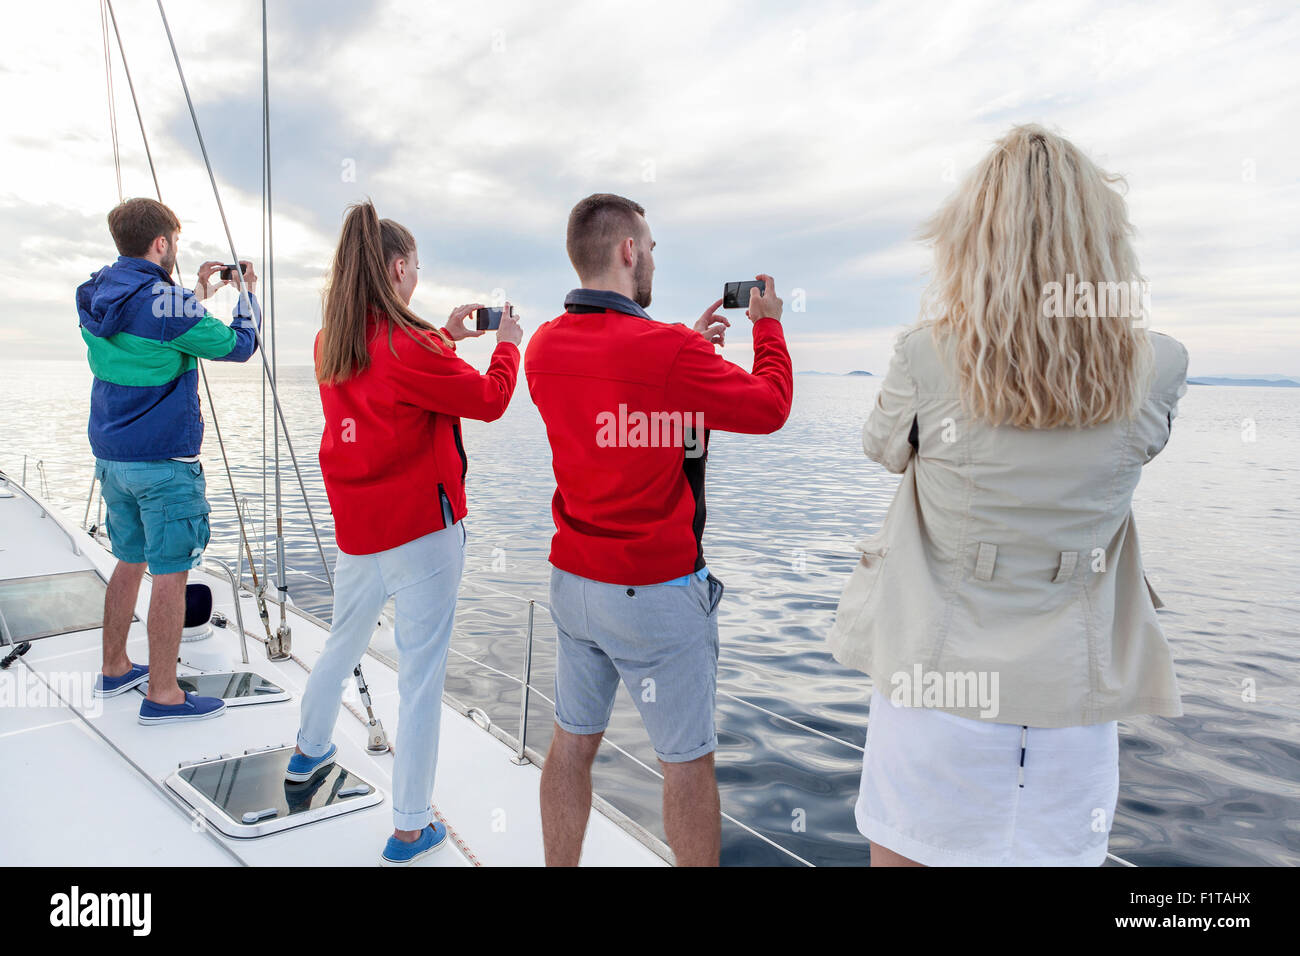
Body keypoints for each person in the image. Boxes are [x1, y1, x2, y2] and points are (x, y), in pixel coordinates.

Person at [827, 124, 1189, 867]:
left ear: (973, 236)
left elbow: (880, 448)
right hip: (1069, 711)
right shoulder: (1157, 367)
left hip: (937, 694)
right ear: (1104, 242)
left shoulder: (926, 354)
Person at [525, 193, 793, 866]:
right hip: (654, 590)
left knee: (572, 745)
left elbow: (614, 388)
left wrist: (684, 349)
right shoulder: (665, 348)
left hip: (574, 585)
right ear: (627, 252)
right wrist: (766, 327)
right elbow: (770, 407)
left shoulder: (542, 347)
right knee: (686, 765)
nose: (652, 259)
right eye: (650, 248)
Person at [290, 201, 521, 866]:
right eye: (416, 265)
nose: (418, 274)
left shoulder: (333, 341)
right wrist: (507, 344)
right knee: (420, 676)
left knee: (343, 640)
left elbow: (392, 388)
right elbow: (488, 400)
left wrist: (443, 336)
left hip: (360, 530)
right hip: (422, 531)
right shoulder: (406, 345)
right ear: (397, 268)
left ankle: (309, 749)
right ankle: (411, 826)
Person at [77, 197, 261, 724]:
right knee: (171, 574)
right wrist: (245, 295)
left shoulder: (92, 293)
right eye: (174, 243)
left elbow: (150, 325)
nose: (175, 250)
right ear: (161, 243)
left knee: (128, 561)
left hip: (112, 458)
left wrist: (196, 294)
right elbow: (239, 345)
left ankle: (114, 666)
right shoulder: (168, 305)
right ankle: (163, 694)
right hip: (163, 464)